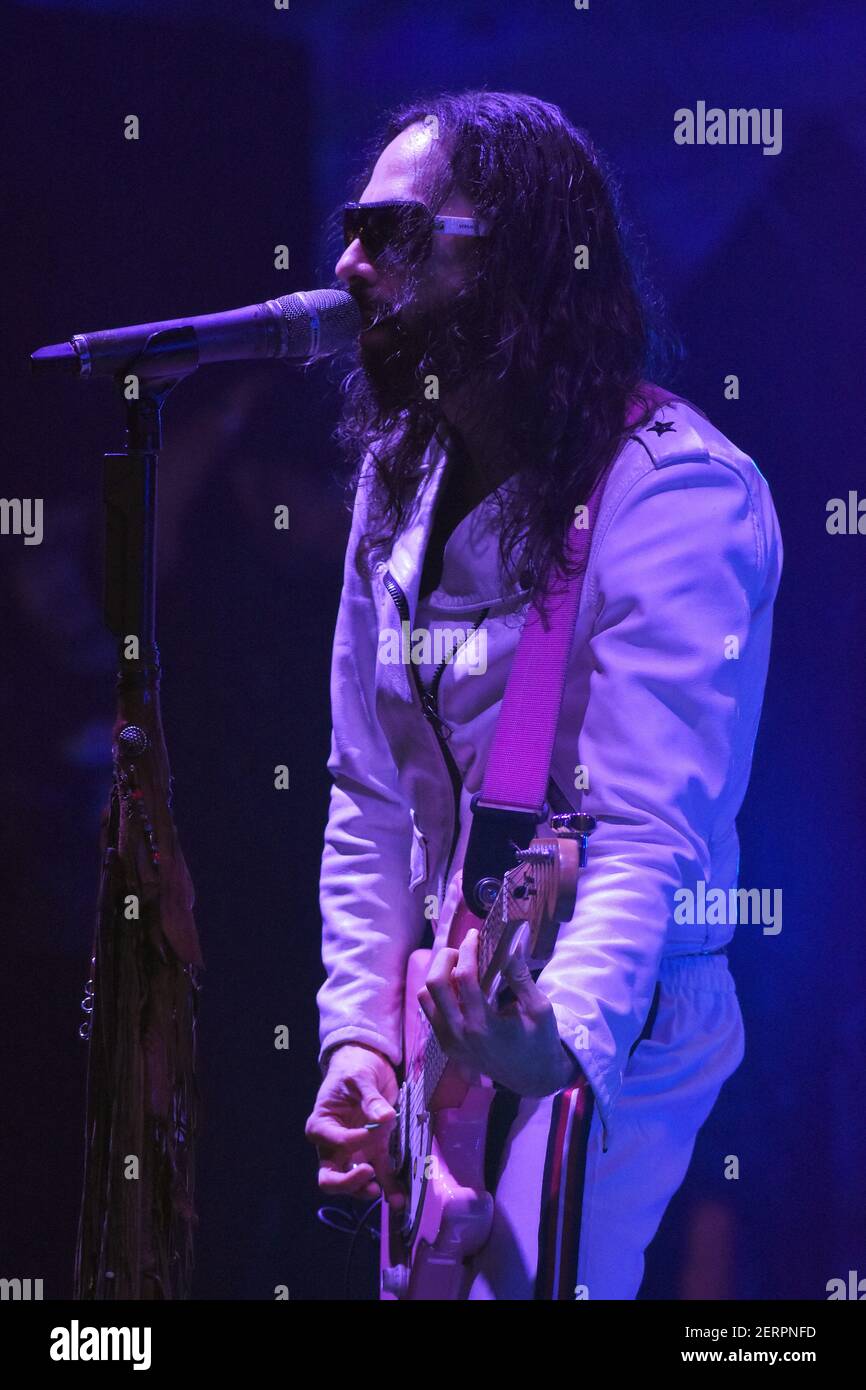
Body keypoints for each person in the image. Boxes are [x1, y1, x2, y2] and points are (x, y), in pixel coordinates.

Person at [304, 90, 783, 1299]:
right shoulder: (395, 483)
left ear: (509, 257)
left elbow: (644, 831)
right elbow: (370, 793)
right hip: (460, 1001)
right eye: (351, 230)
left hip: (612, 1011)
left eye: (396, 233)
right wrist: (358, 1032)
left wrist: (552, 1037)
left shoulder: (675, 497)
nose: (351, 264)